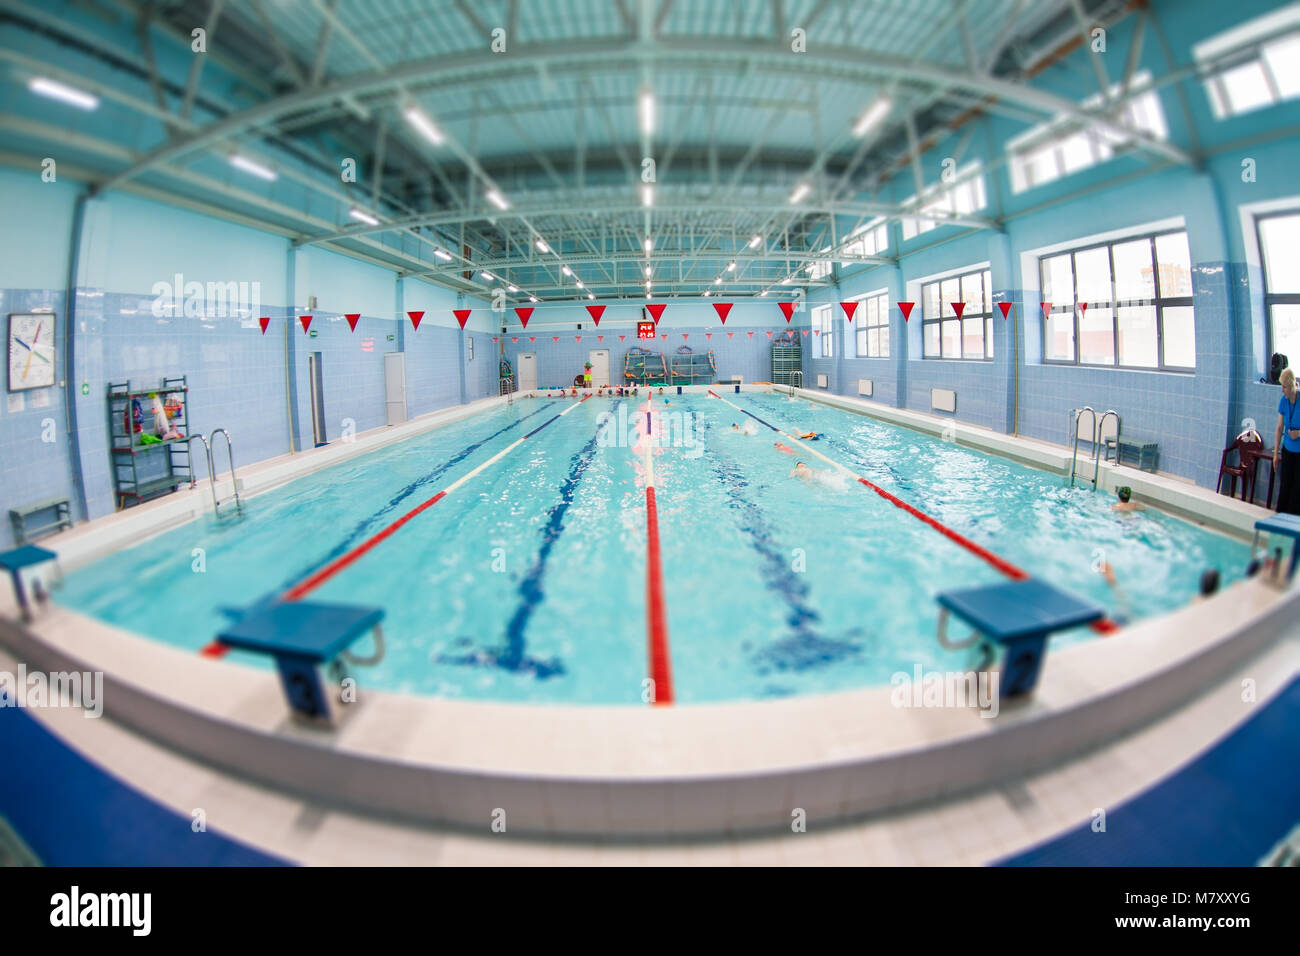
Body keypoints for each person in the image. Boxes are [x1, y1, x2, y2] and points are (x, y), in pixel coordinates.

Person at [1275, 367, 1300, 514]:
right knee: (1285, 485)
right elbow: (1279, 428)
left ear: (1291, 386)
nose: (1282, 390)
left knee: (1298, 488)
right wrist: (1276, 453)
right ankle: (1280, 517)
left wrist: (1299, 433)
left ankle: (1294, 522)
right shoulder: (1283, 401)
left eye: (1284, 387)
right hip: (1288, 450)